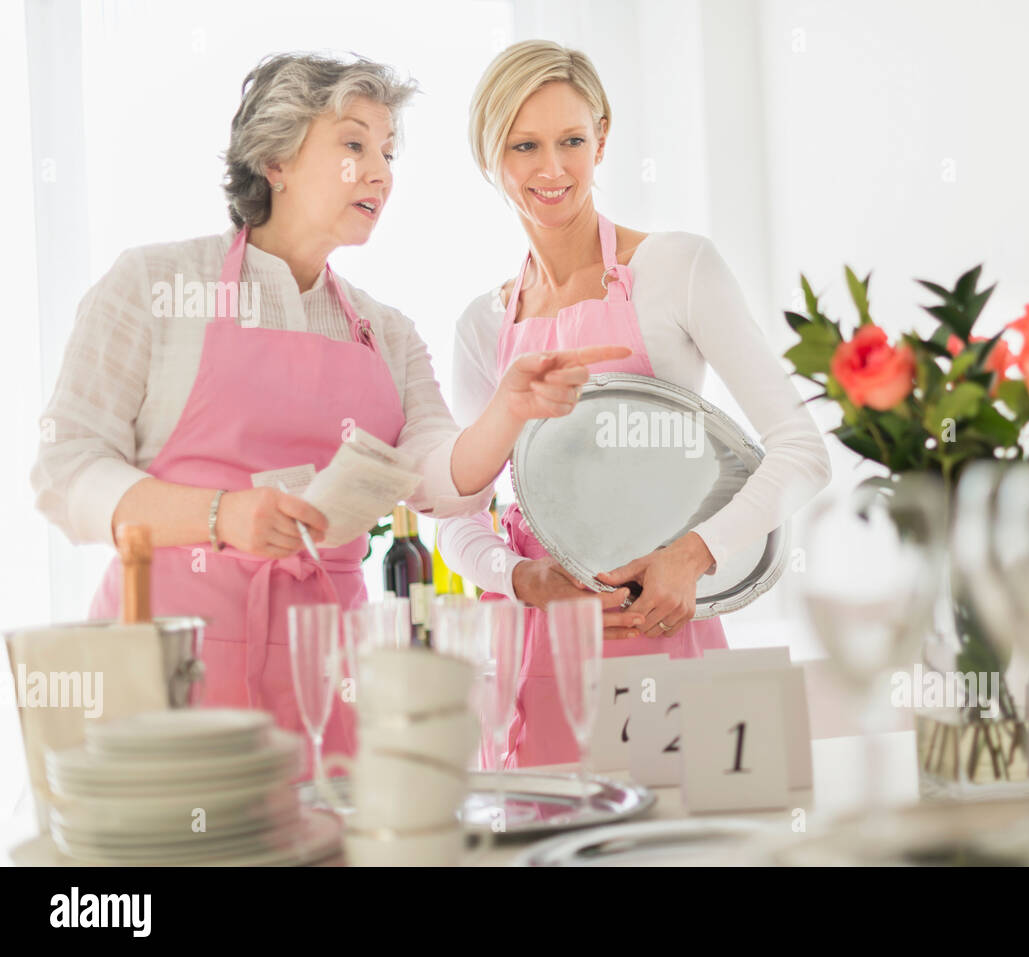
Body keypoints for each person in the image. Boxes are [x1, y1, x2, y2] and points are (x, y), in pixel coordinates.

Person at [31, 52, 626, 764]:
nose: (380, 171)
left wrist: (508, 410)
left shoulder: (387, 330)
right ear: (276, 160)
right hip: (170, 668)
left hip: (327, 679)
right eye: (353, 144)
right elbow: (65, 472)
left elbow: (436, 479)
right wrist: (222, 515)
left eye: (388, 152)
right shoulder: (156, 284)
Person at [440, 40, 832, 768]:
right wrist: (524, 580)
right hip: (539, 649)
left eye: (572, 141)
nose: (552, 169)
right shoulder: (482, 326)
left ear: (603, 137)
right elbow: (457, 521)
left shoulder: (677, 268)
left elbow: (804, 454)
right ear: (490, 156)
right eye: (525, 145)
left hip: (666, 635)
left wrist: (692, 556)